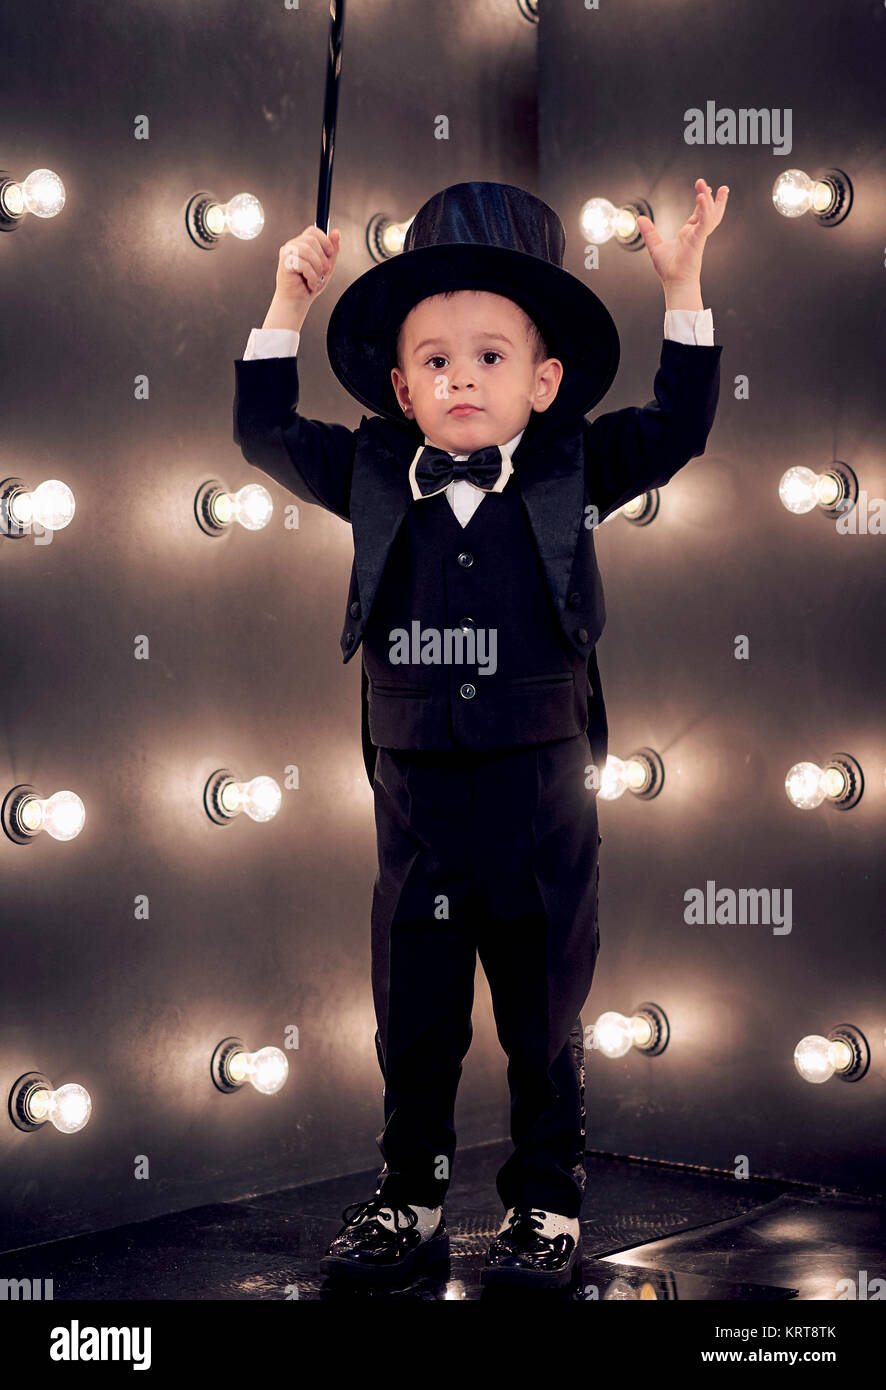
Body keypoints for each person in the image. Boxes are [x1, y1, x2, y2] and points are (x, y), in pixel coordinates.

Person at [232, 180, 727, 1290]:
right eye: (439, 360)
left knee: (542, 1000)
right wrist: (283, 300)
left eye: (493, 356)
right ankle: (408, 1195)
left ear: (544, 382)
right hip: (413, 791)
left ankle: (545, 1202)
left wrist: (682, 286)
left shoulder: (572, 468)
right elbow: (263, 428)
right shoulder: (367, 472)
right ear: (401, 386)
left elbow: (680, 426)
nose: (464, 376)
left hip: (544, 779)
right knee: (415, 1006)